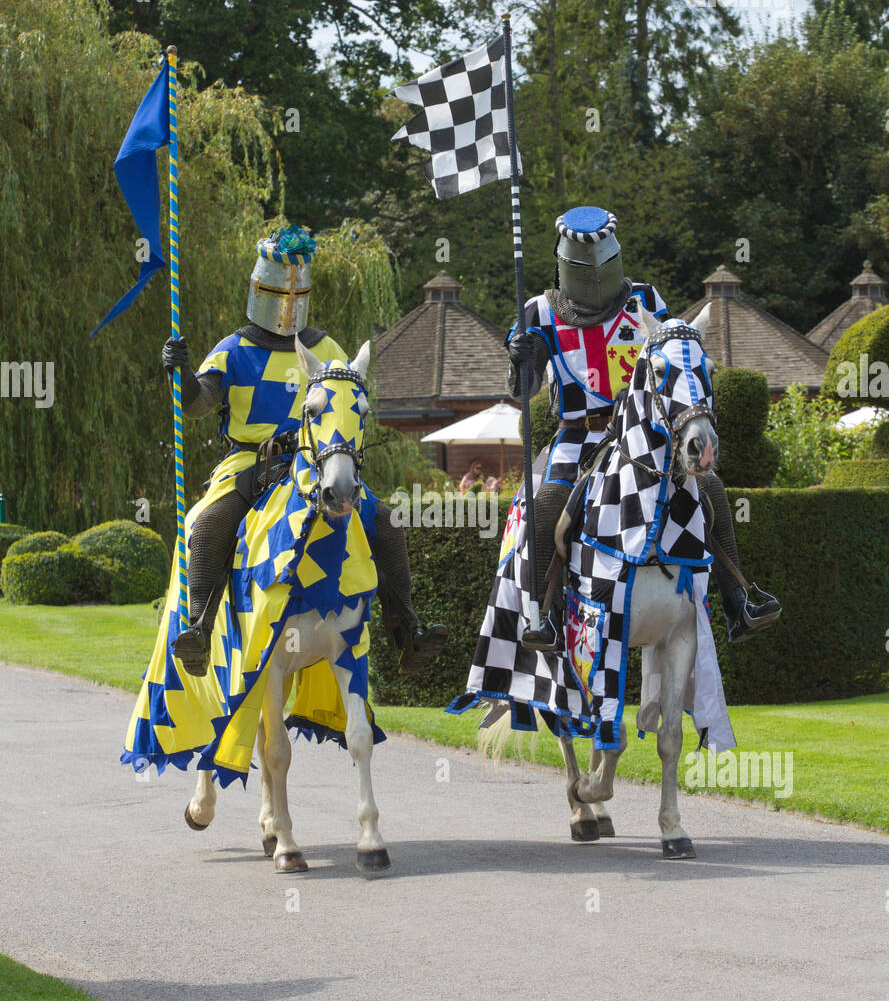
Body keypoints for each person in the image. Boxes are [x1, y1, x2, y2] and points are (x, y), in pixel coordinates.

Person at [161, 224, 446, 676]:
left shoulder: (325, 347)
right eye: (277, 293)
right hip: (250, 460)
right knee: (212, 521)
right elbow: (197, 405)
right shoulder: (233, 349)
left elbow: (347, 401)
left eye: (296, 295)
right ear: (259, 289)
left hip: (315, 458)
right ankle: (198, 627)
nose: (287, 304)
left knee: (387, 521)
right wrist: (182, 375)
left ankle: (406, 630)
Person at [506, 205, 781, 650]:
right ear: (566, 264)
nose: (595, 273)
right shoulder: (538, 312)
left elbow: (674, 354)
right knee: (549, 504)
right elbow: (525, 389)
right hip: (577, 435)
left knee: (709, 489)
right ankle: (547, 616)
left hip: (644, 431)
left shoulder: (645, 300)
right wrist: (519, 358)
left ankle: (739, 600)